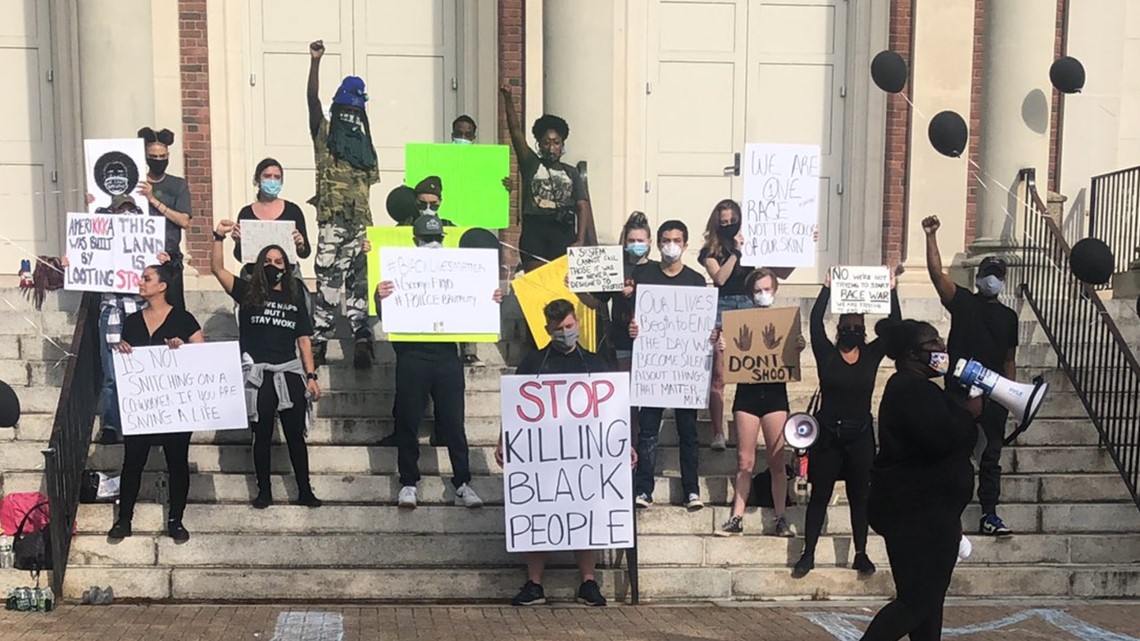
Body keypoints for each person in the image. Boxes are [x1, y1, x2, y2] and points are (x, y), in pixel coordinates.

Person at [495, 299, 635, 607]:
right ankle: (534, 585)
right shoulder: (533, 363)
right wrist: (504, 439)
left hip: (586, 456)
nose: (565, 333)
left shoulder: (597, 364)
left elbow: (614, 411)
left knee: (585, 512)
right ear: (547, 329)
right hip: (543, 458)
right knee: (536, 511)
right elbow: (516, 408)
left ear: (578, 324)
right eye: (558, 330)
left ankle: (588, 582)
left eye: (569, 327)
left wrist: (625, 443)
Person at [860, 318, 979, 641]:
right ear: (913, 354)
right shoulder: (909, 389)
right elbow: (943, 438)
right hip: (917, 515)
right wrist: (970, 413)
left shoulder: (917, 389)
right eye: (933, 343)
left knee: (928, 605)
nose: (942, 348)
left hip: (928, 512)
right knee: (917, 602)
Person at [374, 214, 501, 510]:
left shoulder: (458, 268)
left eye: (437, 239)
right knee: (407, 422)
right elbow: (386, 315)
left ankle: (463, 482)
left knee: (454, 423)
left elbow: (475, 304)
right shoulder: (399, 269)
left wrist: (491, 297)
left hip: (446, 356)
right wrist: (380, 297)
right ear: (414, 240)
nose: (432, 245)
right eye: (427, 239)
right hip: (411, 355)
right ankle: (408, 482)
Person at [792, 266, 901, 578]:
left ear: (864, 331)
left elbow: (894, 327)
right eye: (847, 326)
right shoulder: (826, 353)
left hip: (860, 435)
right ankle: (808, 552)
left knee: (860, 496)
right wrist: (826, 288)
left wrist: (891, 290)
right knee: (820, 496)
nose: (852, 331)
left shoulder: (870, 354)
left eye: (857, 326)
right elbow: (814, 322)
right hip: (828, 436)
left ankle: (861, 553)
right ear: (838, 329)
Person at [211, 220, 322, 509]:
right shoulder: (248, 291)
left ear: (287, 265)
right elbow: (218, 271)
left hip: (289, 372)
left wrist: (311, 375)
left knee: (295, 435)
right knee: (261, 436)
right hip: (259, 375)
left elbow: (304, 338)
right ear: (260, 265)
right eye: (269, 261)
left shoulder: (295, 293)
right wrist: (217, 238)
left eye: (279, 260)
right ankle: (264, 490)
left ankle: (305, 489)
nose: (275, 265)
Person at [923, 215, 1018, 537]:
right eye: (989, 274)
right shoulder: (963, 302)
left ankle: (989, 513)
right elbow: (938, 275)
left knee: (991, 457)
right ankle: (948, 513)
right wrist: (931, 236)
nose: (993, 279)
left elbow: (1009, 359)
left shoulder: (1009, 317)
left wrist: (1011, 396)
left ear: (1003, 280)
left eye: (998, 275)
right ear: (979, 278)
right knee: (956, 454)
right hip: (961, 392)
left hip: (993, 395)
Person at [107, 263, 205, 542]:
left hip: (175, 404)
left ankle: (176, 520)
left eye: (147, 278)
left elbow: (203, 354)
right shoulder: (133, 321)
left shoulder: (183, 319)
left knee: (177, 461)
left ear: (163, 286)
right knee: (133, 461)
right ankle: (124, 519)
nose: (141, 282)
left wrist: (182, 348)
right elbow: (129, 361)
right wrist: (123, 349)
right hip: (143, 406)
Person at [628, 220, 713, 511]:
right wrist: (633, 329)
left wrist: (709, 335)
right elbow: (632, 315)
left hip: (684, 370)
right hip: (653, 367)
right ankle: (643, 489)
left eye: (676, 240)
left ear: (686, 245)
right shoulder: (643, 274)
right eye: (665, 240)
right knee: (648, 429)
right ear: (657, 243)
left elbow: (702, 323)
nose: (671, 245)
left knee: (687, 430)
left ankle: (692, 489)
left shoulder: (696, 280)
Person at [714, 268, 805, 538]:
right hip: (748, 395)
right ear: (750, 294)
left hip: (776, 395)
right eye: (757, 290)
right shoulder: (738, 321)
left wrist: (797, 345)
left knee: (778, 461)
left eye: (767, 289)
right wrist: (722, 346)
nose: (763, 294)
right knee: (744, 461)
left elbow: (790, 353)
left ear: (774, 291)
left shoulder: (786, 322)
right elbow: (729, 358)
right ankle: (736, 516)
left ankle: (780, 517)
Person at [307, 39, 381, 369]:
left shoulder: (366, 149)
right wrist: (315, 63)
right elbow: (312, 102)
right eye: (345, 112)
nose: (350, 119)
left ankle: (362, 338)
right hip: (332, 220)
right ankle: (320, 339)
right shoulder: (325, 137)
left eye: (356, 113)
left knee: (358, 280)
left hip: (360, 223)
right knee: (326, 279)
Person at [72, 195, 170, 445]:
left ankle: (149, 423)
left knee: (146, 369)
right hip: (113, 308)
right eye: (121, 211)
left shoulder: (147, 243)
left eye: (131, 211)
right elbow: (84, 256)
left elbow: (162, 277)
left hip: (141, 309)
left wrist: (164, 263)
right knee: (112, 373)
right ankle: (111, 425)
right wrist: (70, 263)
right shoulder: (103, 242)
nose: (126, 216)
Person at [499, 85, 594, 272]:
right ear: (539, 145)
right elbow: (516, 133)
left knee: (561, 284)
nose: (552, 148)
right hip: (535, 231)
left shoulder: (571, 173)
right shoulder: (531, 164)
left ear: (562, 144)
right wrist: (508, 100)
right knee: (538, 281)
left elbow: (582, 205)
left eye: (556, 143)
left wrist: (580, 239)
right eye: (546, 143)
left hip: (562, 232)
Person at [700, 199, 751, 451]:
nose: (730, 226)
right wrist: (736, 254)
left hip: (750, 305)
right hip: (723, 307)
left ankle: (747, 427)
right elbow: (719, 278)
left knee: (751, 371)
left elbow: (779, 272)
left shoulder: (755, 244)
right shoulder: (710, 250)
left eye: (734, 221)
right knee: (719, 375)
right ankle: (718, 431)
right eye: (725, 222)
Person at [136, 127, 193, 310]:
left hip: (169, 259)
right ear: (146, 157)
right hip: (139, 257)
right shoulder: (136, 184)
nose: (159, 161)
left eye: (162, 157)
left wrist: (153, 200)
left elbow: (183, 221)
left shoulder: (178, 185)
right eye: (153, 157)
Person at [231, 158, 312, 274]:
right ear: (257, 179)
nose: (272, 181)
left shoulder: (293, 211)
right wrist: (238, 242)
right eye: (267, 176)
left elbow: (305, 253)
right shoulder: (246, 213)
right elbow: (240, 257)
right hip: (254, 274)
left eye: (277, 177)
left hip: (286, 275)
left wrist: (300, 244)